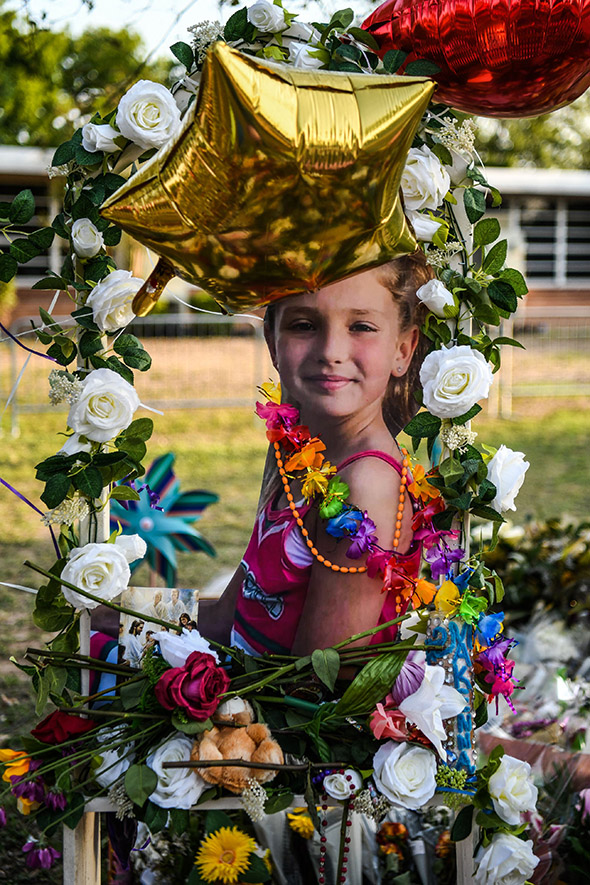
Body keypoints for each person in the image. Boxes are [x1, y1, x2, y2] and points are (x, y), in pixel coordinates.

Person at [199, 252, 431, 656]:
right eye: (304, 325)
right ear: (272, 341)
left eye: (361, 326)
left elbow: (315, 681)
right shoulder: (305, 460)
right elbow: (228, 617)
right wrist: (125, 616)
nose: (330, 350)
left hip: (276, 714)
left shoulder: (367, 484)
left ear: (403, 350)